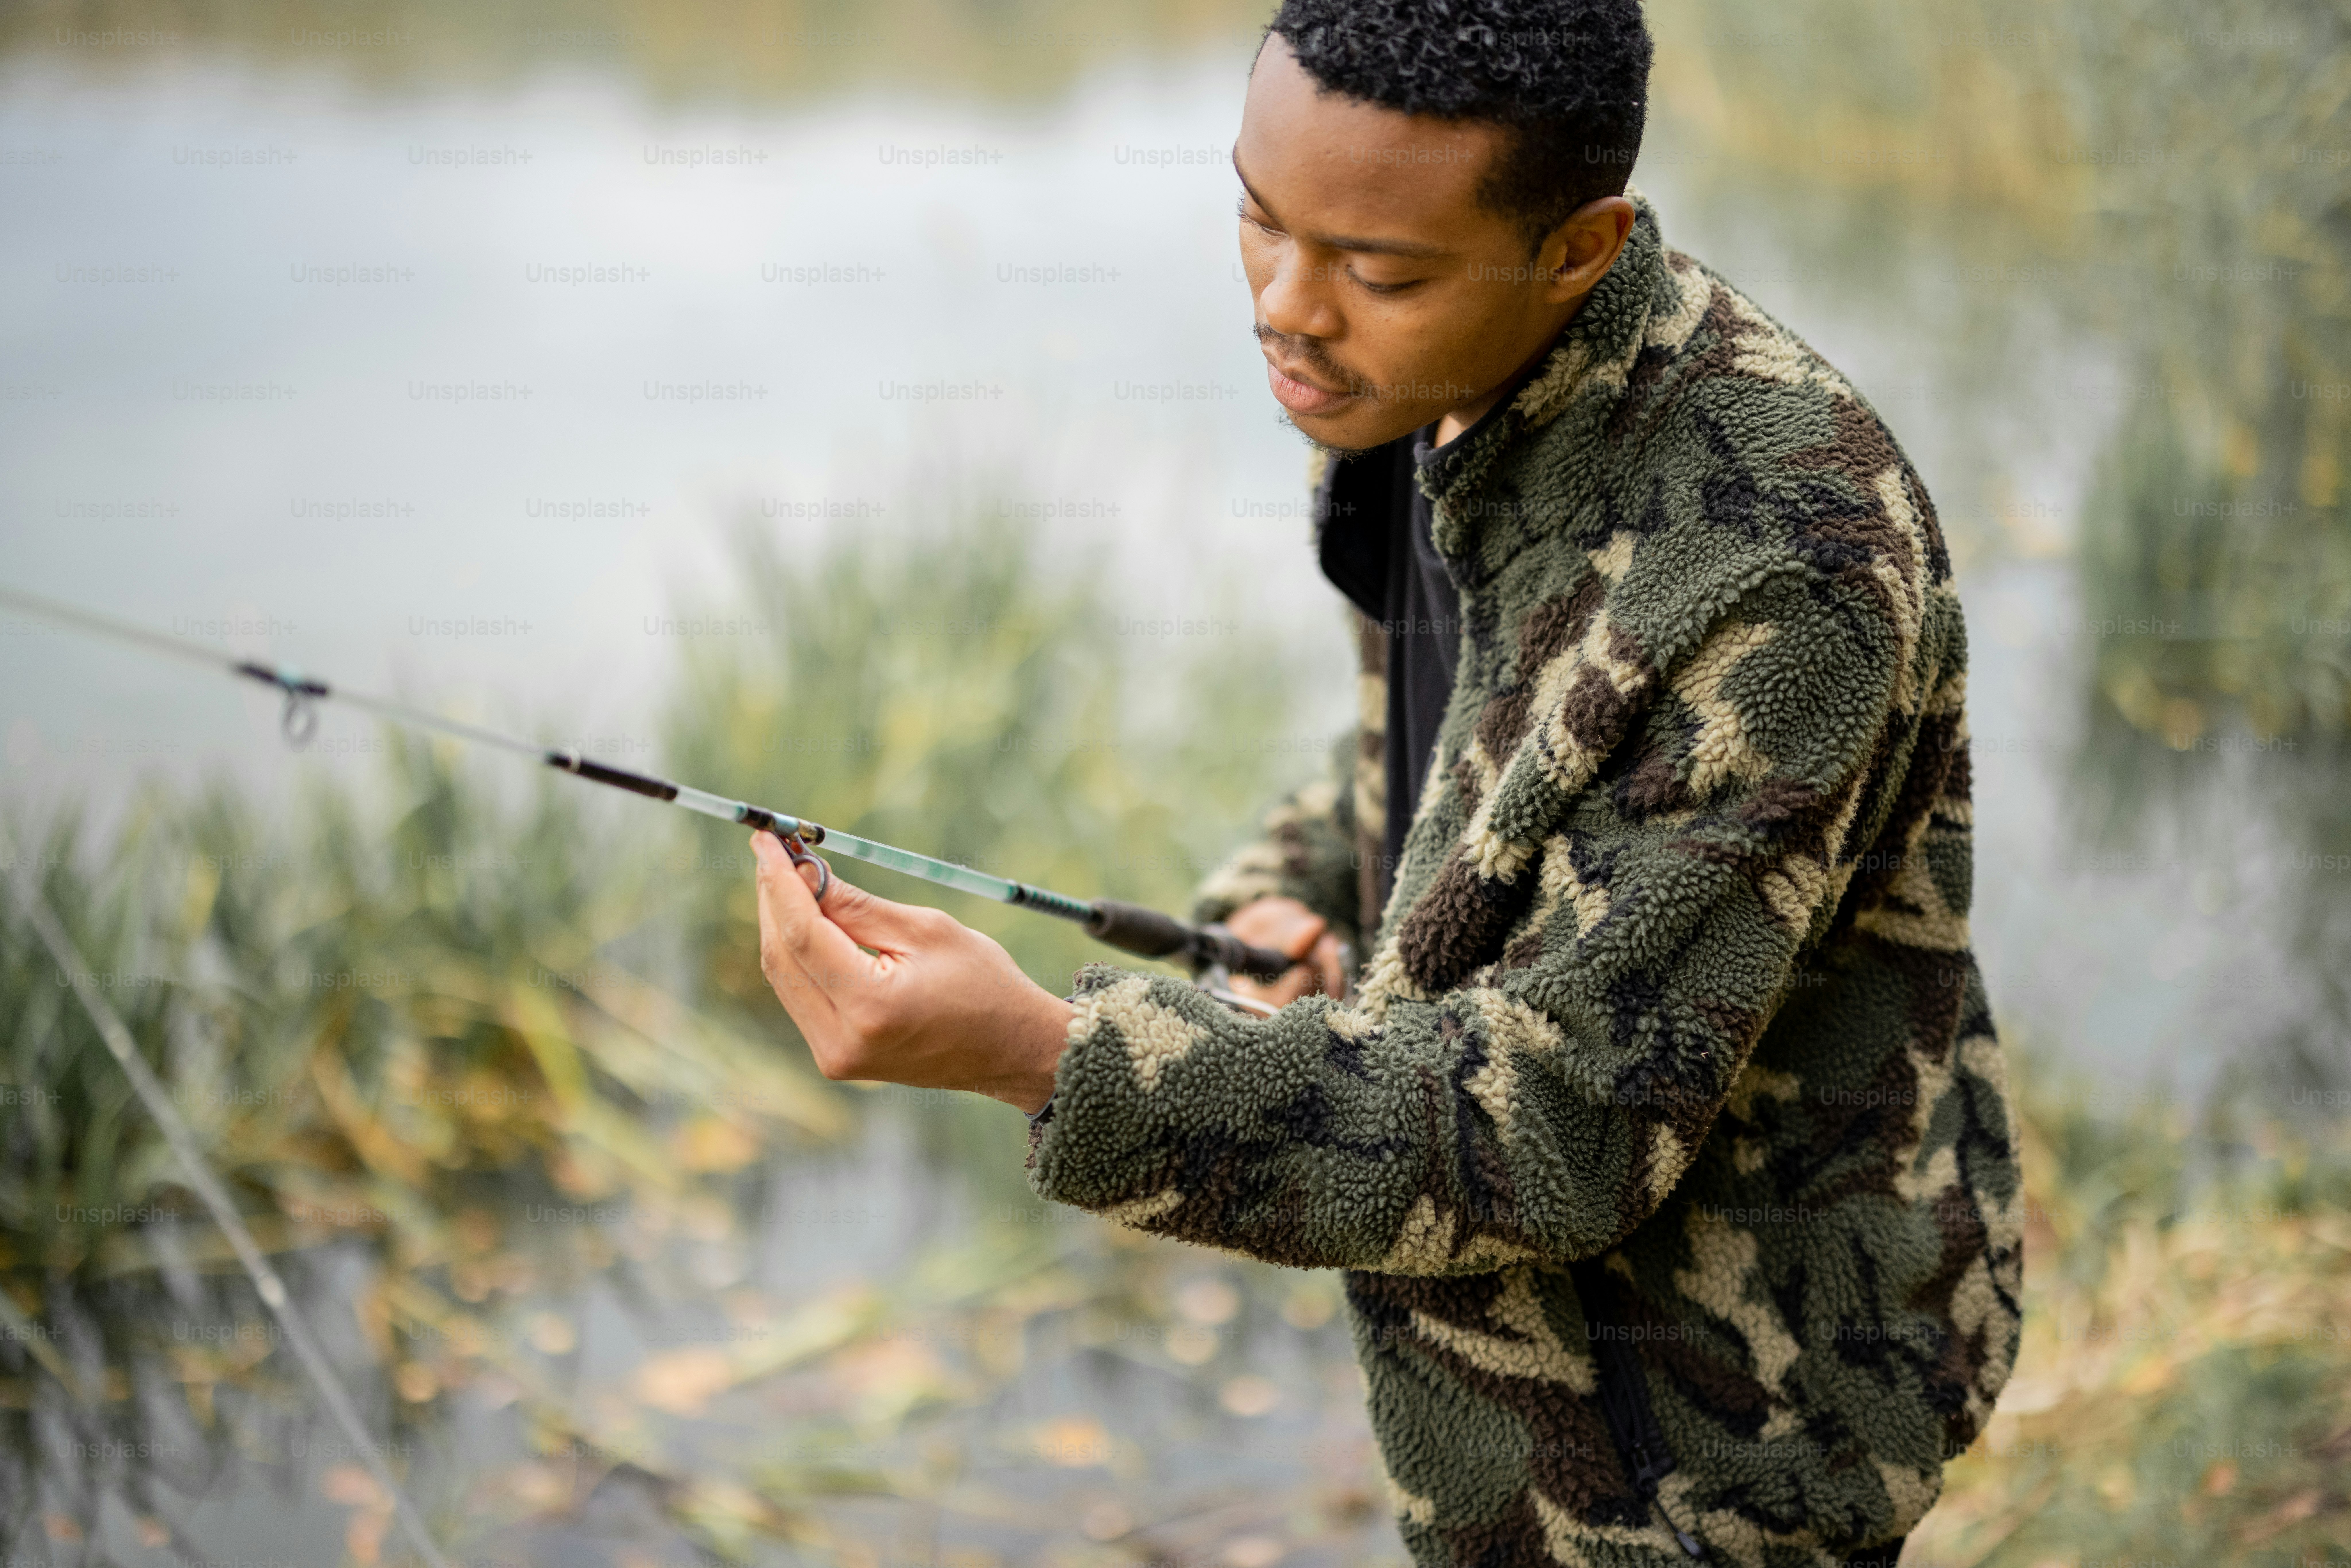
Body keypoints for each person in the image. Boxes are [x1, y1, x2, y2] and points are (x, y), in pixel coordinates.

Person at [748, 1, 2023, 1561]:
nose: (1289, 310)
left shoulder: (1782, 571)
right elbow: (1451, 747)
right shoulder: (1420, 383)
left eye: (1379, 269)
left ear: (1578, 247)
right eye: (1257, 219)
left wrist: (1047, 1055)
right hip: (1492, 1406)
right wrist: (1290, 894)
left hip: (1714, 1454)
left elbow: (1559, 1125)